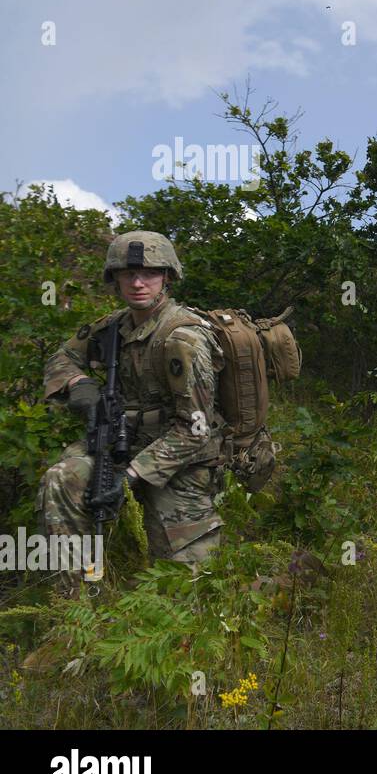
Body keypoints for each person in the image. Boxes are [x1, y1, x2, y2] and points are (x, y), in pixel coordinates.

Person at [39, 231, 225, 589]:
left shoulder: (182, 338)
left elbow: (195, 432)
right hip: (118, 444)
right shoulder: (112, 328)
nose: (138, 283)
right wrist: (81, 385)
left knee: (185, 591)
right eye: (128, 274)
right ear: (116, 280)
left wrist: (130, 477)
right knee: (61, 480)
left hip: (178, 461)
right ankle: (76, 609)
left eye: (150, 274)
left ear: (167, 277)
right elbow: (61, 359)